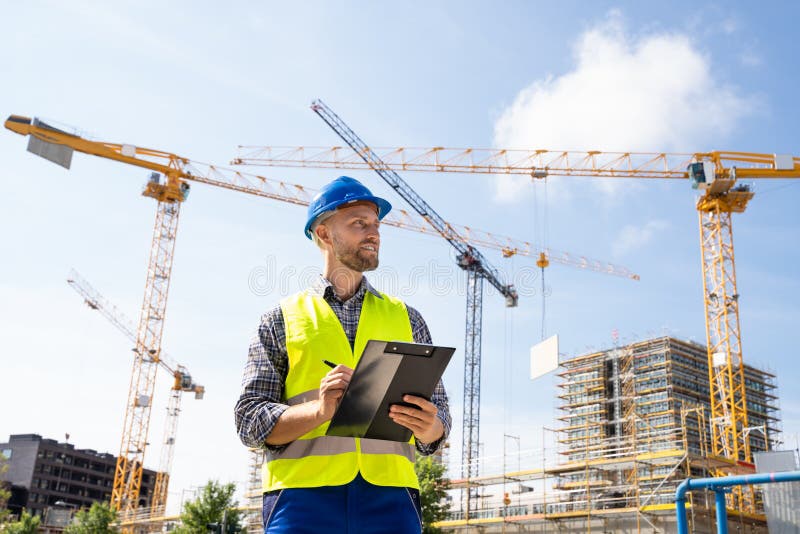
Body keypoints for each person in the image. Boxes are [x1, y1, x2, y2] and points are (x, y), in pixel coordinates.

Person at [235, 176, 451, 533]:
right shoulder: (281, 319)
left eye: (376, 225)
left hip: (392, 501)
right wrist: (320, 411)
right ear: (323, 234)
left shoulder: (407, 318)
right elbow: (249, 420)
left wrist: (430, 428)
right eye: (359, 224)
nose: (374, 233)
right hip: (302, 501)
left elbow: (440, 417)